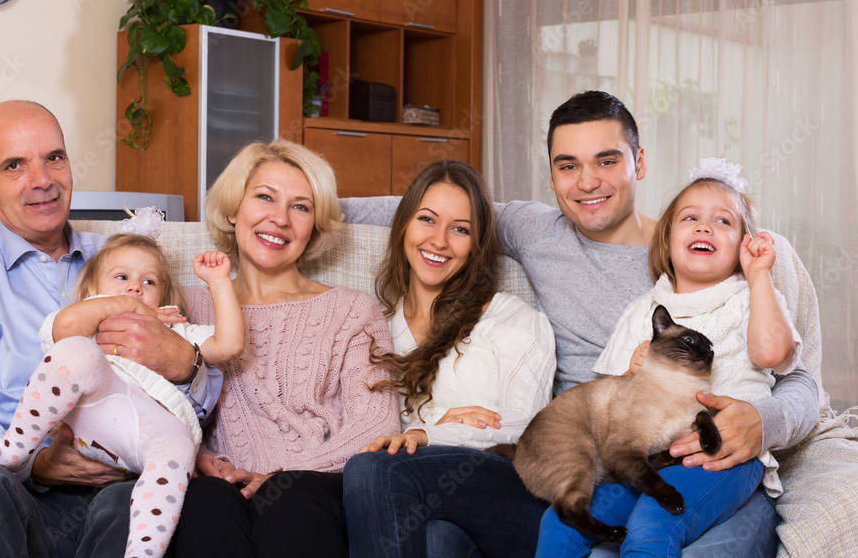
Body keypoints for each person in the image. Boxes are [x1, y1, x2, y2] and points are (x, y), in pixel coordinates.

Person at [341, 90, 820, 556]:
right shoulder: (535, 230)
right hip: (589, 461)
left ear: (640, 163)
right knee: (413, 508)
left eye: (607, 161)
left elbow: (799, 378)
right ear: (551, 176)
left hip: (705, 460)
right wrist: (303, 212)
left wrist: (763, 421)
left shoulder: (710, 249)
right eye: (568, 165)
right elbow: (425, 211)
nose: (587, 182)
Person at [0, 100, 221, 557]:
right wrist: (35, 462)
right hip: (19, 493)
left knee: (149, 507)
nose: (42, 179)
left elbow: (201, 379)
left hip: (124, 489)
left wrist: (187, 366)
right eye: (14, 165)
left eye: (54, 157)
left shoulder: (125, 261)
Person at [536, 158, 799, 556]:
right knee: (559, 523)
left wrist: (759, 274)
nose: (704, 226)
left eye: (724, 222)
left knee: (651, 526)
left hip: (725, 452)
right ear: (667, 238)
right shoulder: (644, 309)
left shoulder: (750, 297)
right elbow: (613, 399)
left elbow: (771, 352)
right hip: (650, 454)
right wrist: (633, 370)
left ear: (745, 243)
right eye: (690, 218)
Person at [0, 221, 245, 558]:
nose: (135, 288)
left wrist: (219, 283)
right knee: (74, 354)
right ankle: (14, 449)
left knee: (178, 448)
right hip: (87, 418)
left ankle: (144, 550)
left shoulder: (176, 330)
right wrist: (122, 308)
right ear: (91, 293)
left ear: (165, 297)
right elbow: (65, 328)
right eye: (122, 278)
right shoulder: (84, 327)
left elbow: (229, 345)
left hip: (141, 438)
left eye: (149, 282)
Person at [161, 138, 399, 557]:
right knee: (201, 501)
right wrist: (198, 455)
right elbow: (157, 401)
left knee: (289, 499)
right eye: (265, 197)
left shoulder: (352, 310)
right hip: (223, 485)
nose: (280, 219)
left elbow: (376, 427)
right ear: (234, 208)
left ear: (315, 226)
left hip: (315, 485)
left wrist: (279, 475)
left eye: (301, 207)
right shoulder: (188, 306)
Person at [343, 160, 558, 558]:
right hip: (433, 509)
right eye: (427, 219)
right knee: (438, 541)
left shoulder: (512, 319)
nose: (439, 240)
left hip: (511, 493)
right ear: (403, 225)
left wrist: (424, 434)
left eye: (460, 229)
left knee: (375, 468)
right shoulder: (372, 331)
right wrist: (438, 421)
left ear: (477, 245)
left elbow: (522, 429)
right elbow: (367, 431)